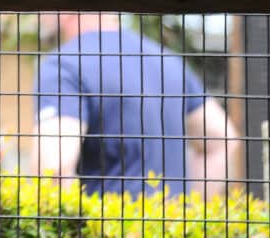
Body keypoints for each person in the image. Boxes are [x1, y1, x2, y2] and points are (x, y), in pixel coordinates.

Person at [30, 13, 237, 199]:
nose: (38, 15)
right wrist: (186, 213)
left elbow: (54, 168)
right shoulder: (167, 61)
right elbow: (222, 139)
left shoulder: (64, 65)